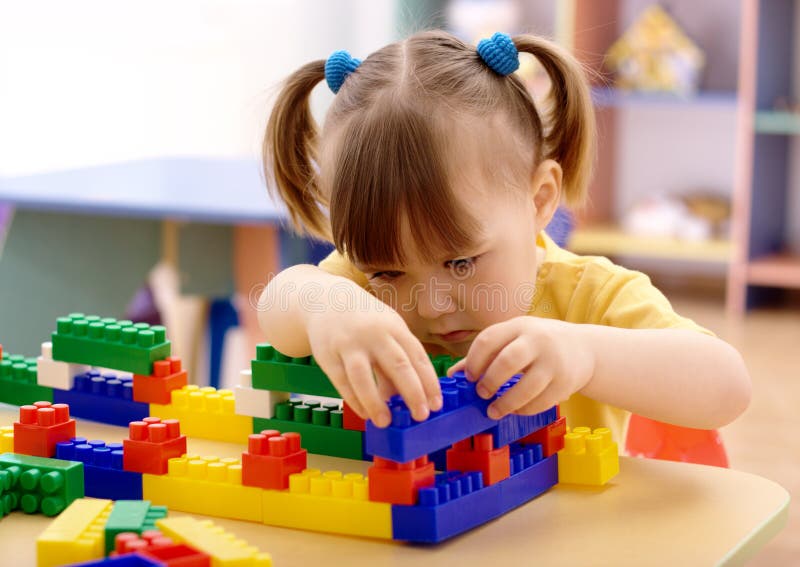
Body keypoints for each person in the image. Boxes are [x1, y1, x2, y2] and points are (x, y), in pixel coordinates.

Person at [257, 30, 750, 441]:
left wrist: (588, 355)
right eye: (388, 272)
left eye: (460, 262)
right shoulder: (361, 289)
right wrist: (327, 308)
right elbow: (279, 303)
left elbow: (727, 386)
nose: (430, 304)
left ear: (539, 200)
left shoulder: (590, 297)